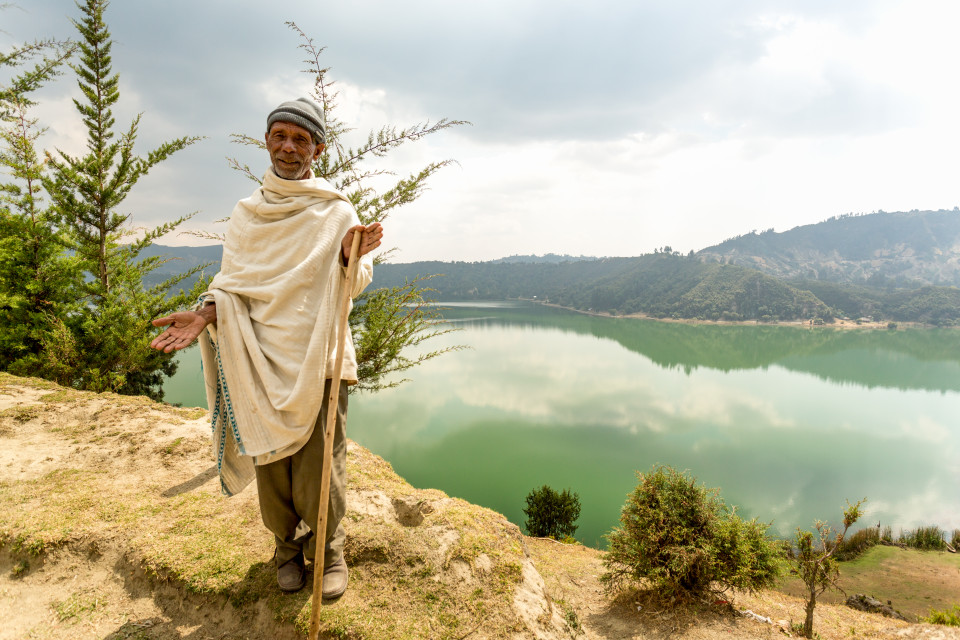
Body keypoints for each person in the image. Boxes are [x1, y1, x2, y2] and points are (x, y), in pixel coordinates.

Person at [150, 97, 383, 598]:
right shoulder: (247, 213)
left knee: (320, 468)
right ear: (266, 140)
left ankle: (328, 548)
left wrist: (349, 256)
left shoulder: (335, 209)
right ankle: (285, 547)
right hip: (257, 356)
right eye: (280, 135)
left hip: (319, 357)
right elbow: (234, 284)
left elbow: (357, 278)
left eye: (301, 140)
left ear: (318, 149)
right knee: (272, 465)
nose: (288, 147)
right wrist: (207, 313)